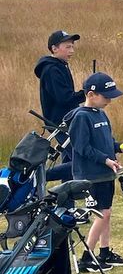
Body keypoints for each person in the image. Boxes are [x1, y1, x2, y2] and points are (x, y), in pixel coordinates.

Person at [65, 72, 123, 272]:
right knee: (101, 214)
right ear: (91, 94)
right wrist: (105, 159)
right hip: (91, 175)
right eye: (106, 96)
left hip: (105, 173)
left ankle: (104, 252)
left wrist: (119, 147)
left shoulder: (101, 114)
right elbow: (81, 147)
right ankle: (87, 257)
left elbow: (106, 143)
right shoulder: (81, 118)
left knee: (107, 213)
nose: (109, 101)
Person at [35, 30, 85, 171]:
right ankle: (46, 178)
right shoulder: (51, 69)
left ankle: (66, 192)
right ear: (54, 48)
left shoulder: (60, 65)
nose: (72, 51)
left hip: (68, 120)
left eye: (72, 47)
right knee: (78, 161)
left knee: (69, 158)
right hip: (60, 122)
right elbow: (64, 98)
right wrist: (86, 93)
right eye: (68, 47)